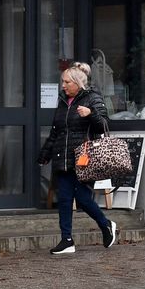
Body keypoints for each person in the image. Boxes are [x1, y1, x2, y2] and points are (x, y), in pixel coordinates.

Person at [38, 61, 118, 256]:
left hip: (84, 158)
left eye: (67, 82)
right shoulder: (64, 101)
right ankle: (67, 240)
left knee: (82, 198)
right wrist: (45, 154)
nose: (63, 85)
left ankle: (106, 225)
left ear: (77, 83)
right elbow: (56, 131)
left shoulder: (92, 98)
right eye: (62, 82)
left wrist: (91, 114)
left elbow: (104, 125)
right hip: (62, 157)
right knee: (64, 199)